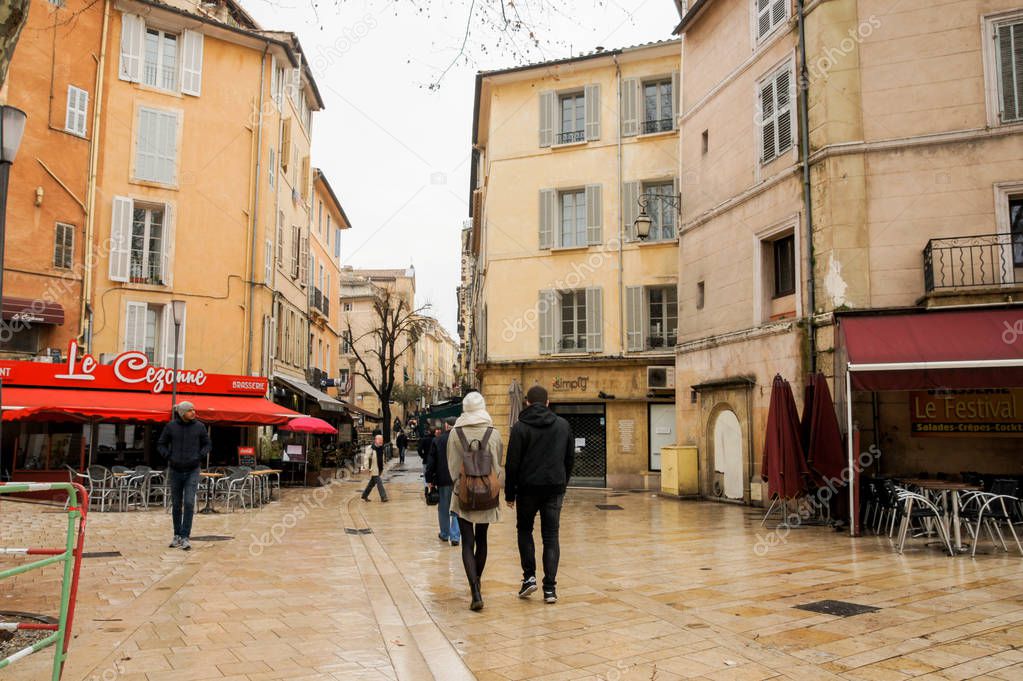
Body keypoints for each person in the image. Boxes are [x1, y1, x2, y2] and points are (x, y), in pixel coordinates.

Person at [505, 385, 574, 604]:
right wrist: (563, 482)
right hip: (554, 488)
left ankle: (529, 578)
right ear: (547, 403)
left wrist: (509, 493)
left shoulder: (519, 428)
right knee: (551, 536)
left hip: (527, 489)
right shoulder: (563, 426)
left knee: (524, 530)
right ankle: (550, 589)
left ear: (526, 402)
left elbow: (512, 464)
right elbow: (569, 459)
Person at [448, 392, 503, 611]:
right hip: (486, 494)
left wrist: (461, 483)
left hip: (462, 494)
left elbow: (452, 467)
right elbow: (497, 466)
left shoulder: (455, 433)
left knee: (467, 542)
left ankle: (474, 590)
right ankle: (477, 581)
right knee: (482, 539)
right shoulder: (494, 433)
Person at [157, 401, 211, 551]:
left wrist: (199, 456)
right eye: (190, 410)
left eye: (194, 409)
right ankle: (177, 535)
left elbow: (208, 444)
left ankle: (185, 536)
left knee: (188, 503)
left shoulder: (199, 426)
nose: (193, 412)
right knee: (176, 504)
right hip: (175, 470)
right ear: (182, 413)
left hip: (193, 470)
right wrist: (168, 456)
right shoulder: (171, 427)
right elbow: (160, 444)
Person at [425, 418, 460, 546]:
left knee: (444, 508)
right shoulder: (461, 439)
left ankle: (445, 534)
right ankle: (455, 536)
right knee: (457, 509)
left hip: (443, 479)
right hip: (458, 479)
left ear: (446, 425)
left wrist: (429, 479)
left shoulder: (438, 440)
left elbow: (431, 463)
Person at [361, 434, 389, 502]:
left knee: (371, 483)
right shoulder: (370, 448)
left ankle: (364, 495)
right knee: (379, 483)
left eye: (382, 440)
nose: (381, 441)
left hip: (379, 469)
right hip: (373, 469)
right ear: (375, 440)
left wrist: (384, 466)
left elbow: (382, 458)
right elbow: (366, 458)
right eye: (380, 440)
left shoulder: (381, 448)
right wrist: (367, 468)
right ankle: (383, 497)